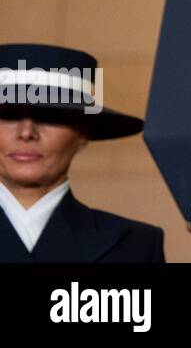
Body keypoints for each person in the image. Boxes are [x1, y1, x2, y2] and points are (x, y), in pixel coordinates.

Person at [0, 44, 165, 263]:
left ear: (83, 133)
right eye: (8, 114)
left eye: (50, 115)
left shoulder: (135, 247)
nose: (27, 132)